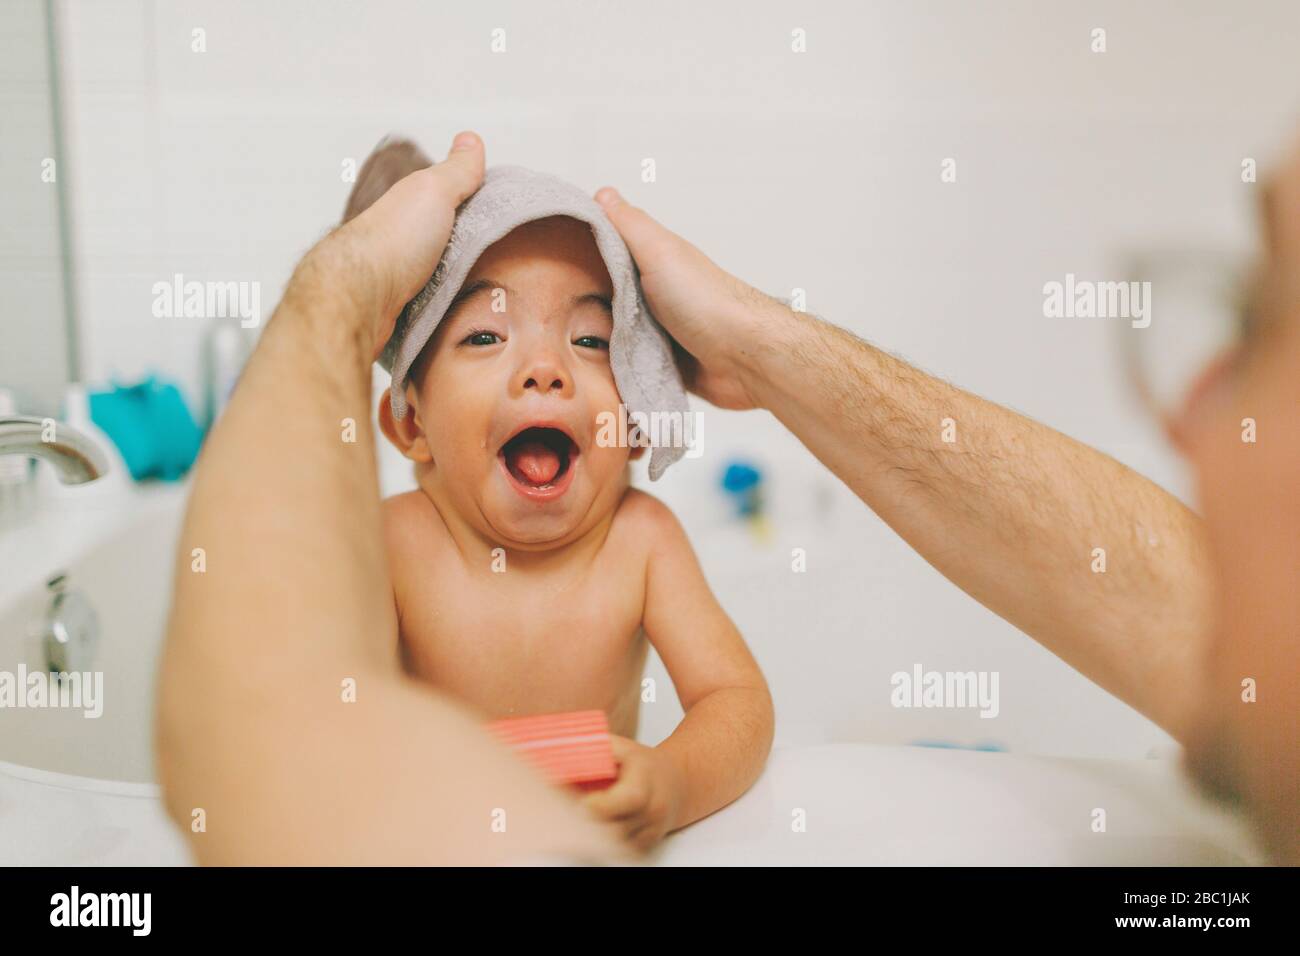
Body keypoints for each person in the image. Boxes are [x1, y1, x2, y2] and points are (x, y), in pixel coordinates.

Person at [157, 129, 1298, 864]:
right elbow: (336, 692)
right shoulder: (393, 541)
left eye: (594, 338)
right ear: (405, 425)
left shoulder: (638, 541)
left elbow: (736, 703)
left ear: (637, 406)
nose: (545, 366)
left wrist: (667, 778)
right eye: (487, 332)